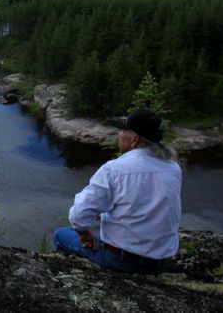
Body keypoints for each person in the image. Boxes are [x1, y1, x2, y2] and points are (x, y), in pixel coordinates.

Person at [53, 109, 182, 274]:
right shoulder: (173, 168)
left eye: (122, 130)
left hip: (122, 261)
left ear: (135, 139)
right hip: (161, 262)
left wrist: (84, 234)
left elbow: (79, 215)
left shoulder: (115, 169)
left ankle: (67, 271)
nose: (118, 134)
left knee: (61, 234)